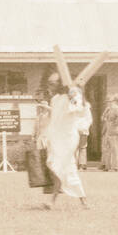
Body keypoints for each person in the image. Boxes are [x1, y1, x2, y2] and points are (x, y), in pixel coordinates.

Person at [37, 78, 91, 209]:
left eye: (52, 83)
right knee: (58, 168)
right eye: (49, 82)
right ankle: (82, 202)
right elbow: (57, 116)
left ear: (60, 84)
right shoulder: (55, 99)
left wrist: (78, 94)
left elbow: (80, 110)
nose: (49, 85)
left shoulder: (71, 96)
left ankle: (55, 201)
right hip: (56, 137)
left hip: (68, 138)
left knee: (65, 167)